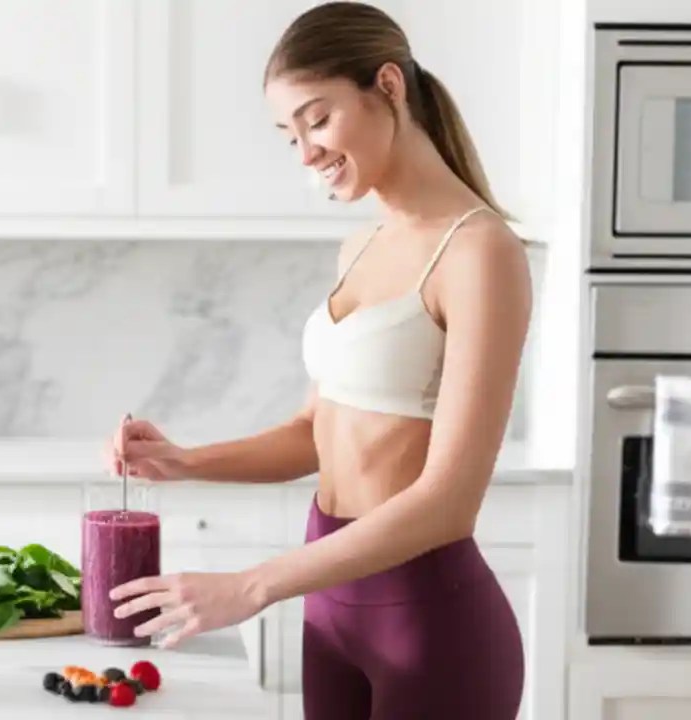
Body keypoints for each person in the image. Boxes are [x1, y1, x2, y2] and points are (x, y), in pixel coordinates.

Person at [104, 2, 532, 718]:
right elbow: (315, 431)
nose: (305, 152)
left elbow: (448, 503)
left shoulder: (479, 250)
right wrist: (185, 460)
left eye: (318, 118)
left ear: (388, 86)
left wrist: (252, 585)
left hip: (429, 623)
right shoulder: (360, 245)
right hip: (333, 614)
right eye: (289, 133)